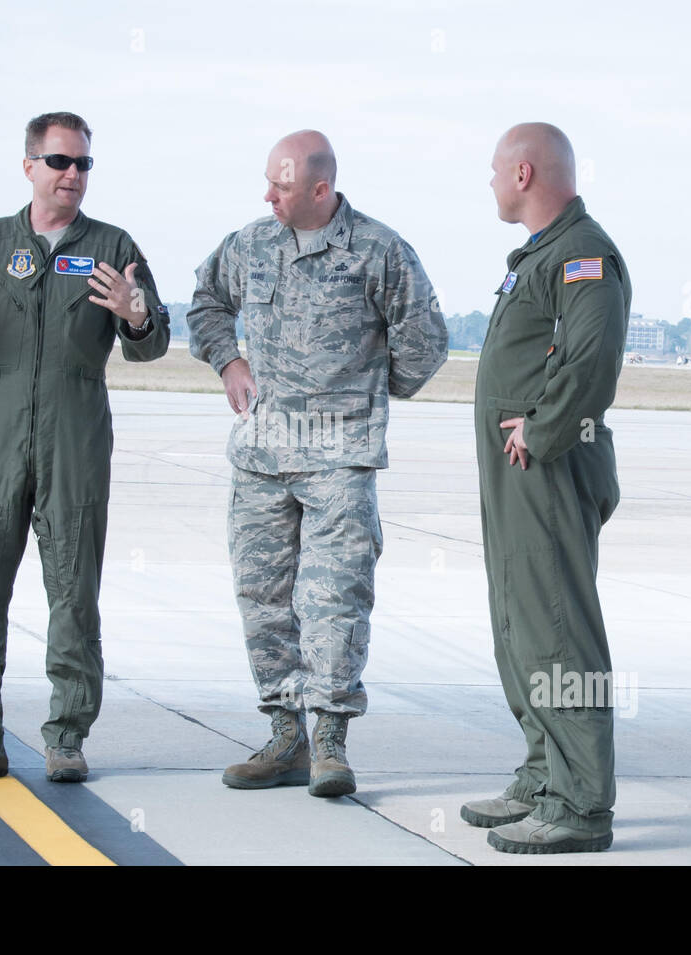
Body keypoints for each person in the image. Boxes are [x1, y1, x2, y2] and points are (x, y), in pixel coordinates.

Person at [0, 111, 170, 785]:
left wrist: (136, 316)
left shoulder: (113, 245)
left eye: (84, 164)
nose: (73, 175)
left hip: (75, 437)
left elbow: (152, 340)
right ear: (28, 166)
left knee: (73, 590)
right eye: (59, 162)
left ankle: (67, 735)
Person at [188, 130, 447, 798]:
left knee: (334, 601)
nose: (268, 195)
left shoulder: (379, 251)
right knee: (263, 598)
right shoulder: (250, 244)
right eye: (268, 183)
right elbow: (206, 302)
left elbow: (424, 341)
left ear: (320, 190)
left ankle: (330, 742)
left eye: (281, 186)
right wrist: (230, 360)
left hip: (340, 461)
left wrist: (364, 392)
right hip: (262, 457)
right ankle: (285, 738)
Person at [461, 123, 631, 852]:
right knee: (521, 623)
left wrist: (544, 426)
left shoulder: (583, 254)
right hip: (518, 476)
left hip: (550, 467)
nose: (492, 184)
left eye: (496, 171)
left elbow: (591, 360)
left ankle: (581, 803)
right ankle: (543, 772)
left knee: (559, 630)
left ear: (523, 173)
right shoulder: (541, 255)